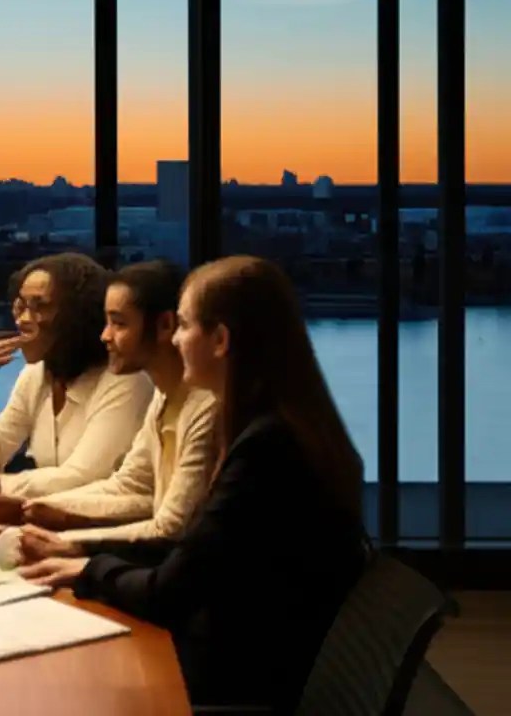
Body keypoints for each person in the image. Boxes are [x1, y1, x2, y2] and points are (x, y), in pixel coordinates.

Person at [19, 255, 369, 711]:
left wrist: (89, 569)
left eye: (184, 326)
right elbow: (192, 551)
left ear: (220, 339)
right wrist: (82, 554)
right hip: (253, 657)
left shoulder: (265, 449)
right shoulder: (277, 426)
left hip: (243, 681)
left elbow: (172, 586)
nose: (176, 339)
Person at [16, 260, 216, 555]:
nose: (105, 336)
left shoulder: (204, 407)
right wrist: (39, 507)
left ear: (164, 326)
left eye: (119, 323)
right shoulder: (163, 398)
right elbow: (129, 486)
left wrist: (70, 544)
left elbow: (171, 527)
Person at [0, 252, 152, 522]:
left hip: (102, 527)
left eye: (40, 307)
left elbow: (83, 476)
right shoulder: (36, 374)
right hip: (45, 520)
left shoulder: (125, 380)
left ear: (78, 315)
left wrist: (0, 486)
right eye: (20, 306)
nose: (23, 319)